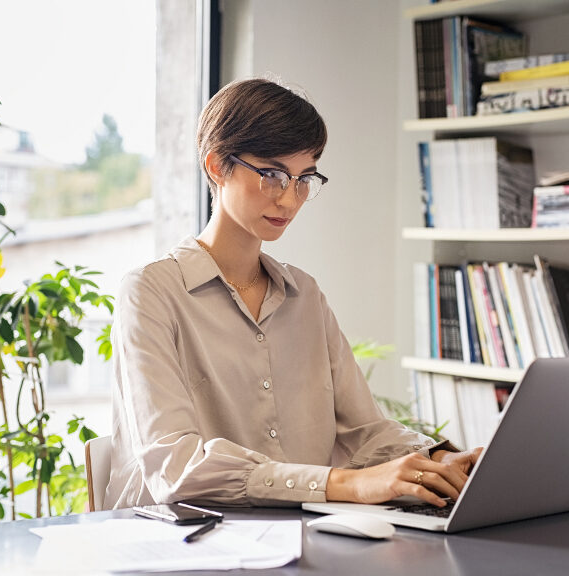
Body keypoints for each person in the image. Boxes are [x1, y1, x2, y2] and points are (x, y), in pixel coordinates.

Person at [105, 77, 481, 510]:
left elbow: (365, 431)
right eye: (271, 174)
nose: (289, 198)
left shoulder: (305, 296)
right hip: (182, 546)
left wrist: (444, 461)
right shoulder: (150, 293)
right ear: (215, 166)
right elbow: (178, 468)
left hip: (299, 539)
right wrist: (349, 484)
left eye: (304, 178)